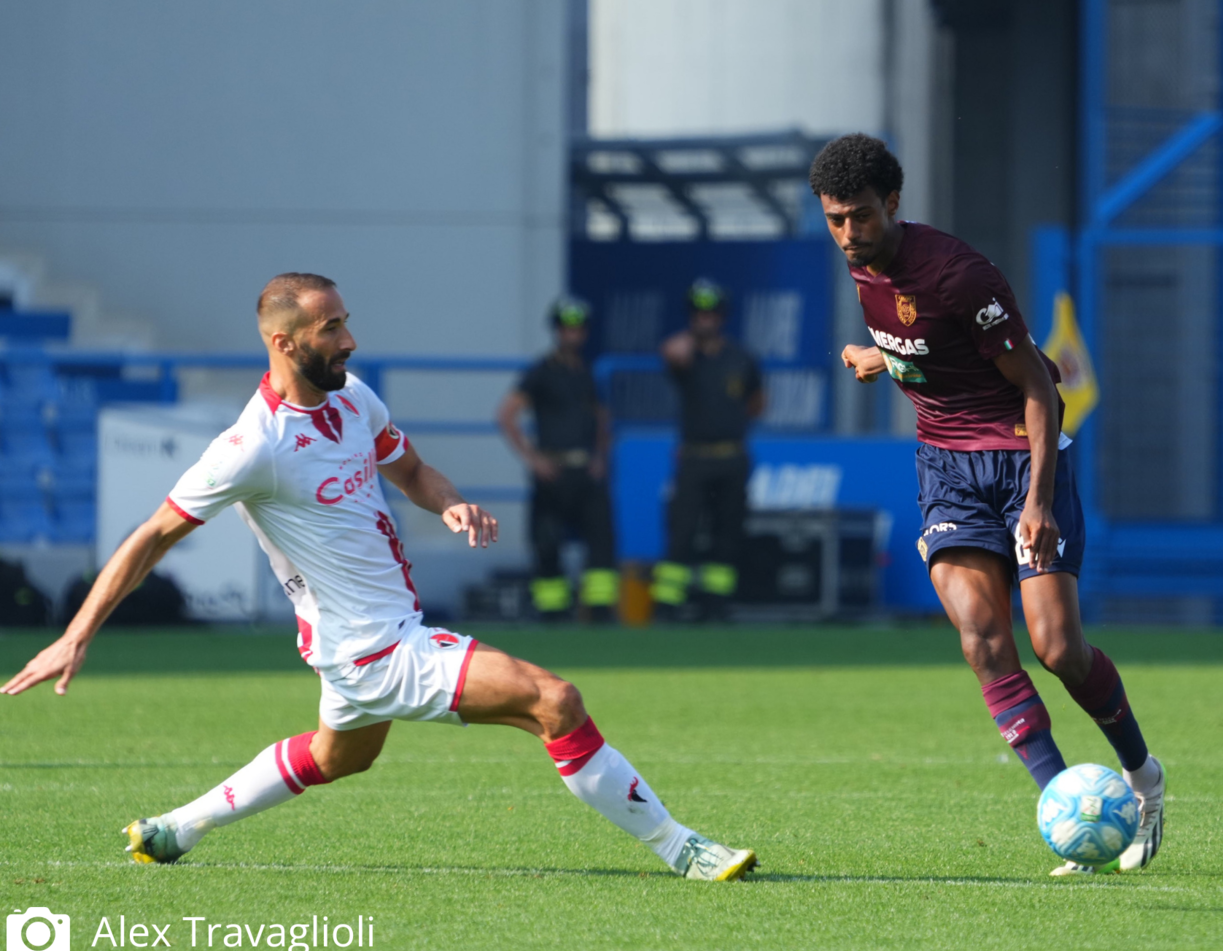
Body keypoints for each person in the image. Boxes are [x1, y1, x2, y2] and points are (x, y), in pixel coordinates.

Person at [0, 273, 756, 882]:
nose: (350, 339)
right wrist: (74, 636)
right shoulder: (249, 448)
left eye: (345, 321)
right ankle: (681, 846)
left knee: (340, 756)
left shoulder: (352, 398)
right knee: (554, 701)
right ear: (283, 341)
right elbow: (151, 537)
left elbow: (414, 469)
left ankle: (178, 827)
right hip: (374, 649)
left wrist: (452, 502)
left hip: (364, 640)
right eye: (332, 328)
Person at [812, 134, 1164, 876]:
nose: (848, 232)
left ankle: (1142, 775)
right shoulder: (861, 265)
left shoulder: (959, 274)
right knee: (980, 633)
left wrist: (1037, 502)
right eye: (836, 218)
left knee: (1058, 648)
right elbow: (924, 342)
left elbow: (1040, 386)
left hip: (1022, 461)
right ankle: (1067, 807)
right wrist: (886, 357)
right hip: (946, 469)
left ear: (894, 205)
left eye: (862, 217)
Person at [497, 297, 617, 622]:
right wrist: (533, 459)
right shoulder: (541, 372)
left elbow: (602, 418)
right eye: (566, 328)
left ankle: (600, 612)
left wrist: (600, 457)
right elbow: (507, 415)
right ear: (557, 331)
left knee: (602, 542)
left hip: (586, 470)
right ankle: (553, 613)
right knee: (547, 543)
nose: (572, 334)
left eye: (578, 328)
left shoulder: (588, 373)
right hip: (553, 469)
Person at [651, 279, 765, 621]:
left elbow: (757, 402)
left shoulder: (741, 358)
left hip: (731, 455)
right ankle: (668, 607)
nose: (705, 319)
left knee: (727, 533)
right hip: (694, 457)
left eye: (711, 313)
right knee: (682, 532)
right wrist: (692, 337)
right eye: (699, 313)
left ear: (722, 316)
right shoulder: (687, 355)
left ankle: (715, 607)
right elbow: (670, 352)